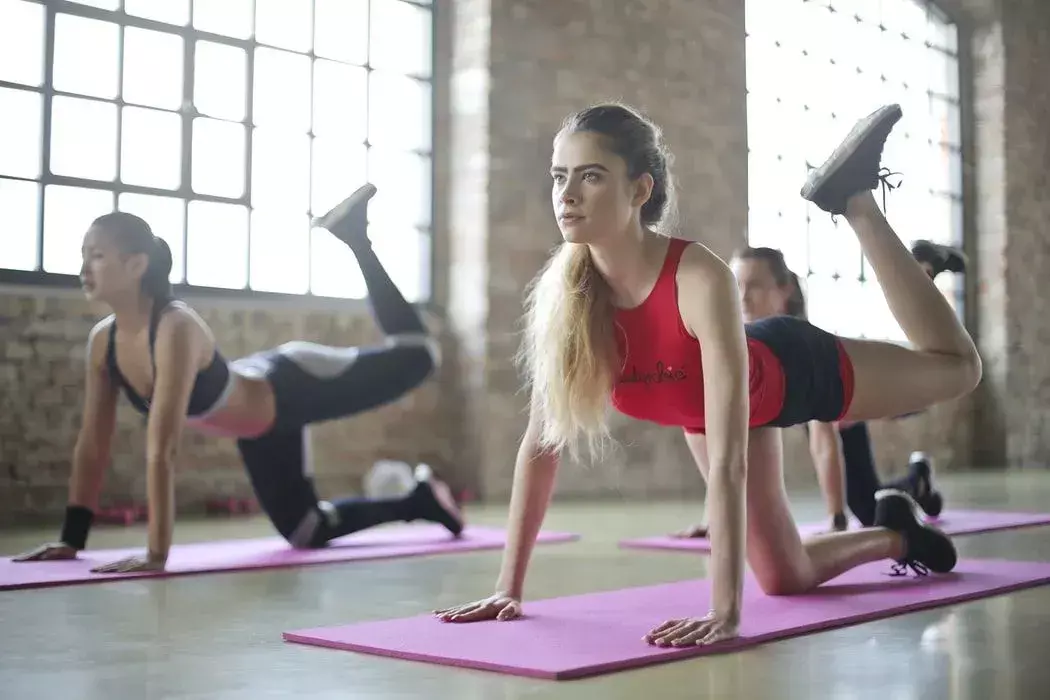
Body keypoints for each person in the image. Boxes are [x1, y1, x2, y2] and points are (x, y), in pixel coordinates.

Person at [432, 102, 981, 648]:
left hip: (788, 371)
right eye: (559, 176)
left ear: (640, 190)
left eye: (591, 176)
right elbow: (540, 445)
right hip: (706, 411)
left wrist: (724, 610)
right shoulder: (568, 299)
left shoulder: (697, 275)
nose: (567, 193)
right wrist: (508, 588)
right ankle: (897, 534)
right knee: (785, 575)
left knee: (959, 370)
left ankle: (857, 203)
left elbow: (728, 460)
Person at [11, 184, 463, 573]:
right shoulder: (103, 342)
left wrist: (156, 553)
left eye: (97, 256)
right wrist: (73, 538)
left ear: (136, 265)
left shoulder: (174, 327)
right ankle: (420, 501)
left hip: (291, 385)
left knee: (420, 356)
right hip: (260, 429)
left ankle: (356, 238)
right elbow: (93, 442)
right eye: (83, 256)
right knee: (307, 531)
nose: (84, 268)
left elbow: (162, 446)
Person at [672, 242, 963, 537]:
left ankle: (924, 271)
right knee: (868, 504)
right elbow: (725, 446)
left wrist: (836, 521)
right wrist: (714, 519)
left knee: (940, 372)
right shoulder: (746, 346)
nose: (743, 297)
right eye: (737, 286)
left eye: (755, 286)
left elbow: (823, 441)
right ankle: (919, 481)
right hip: (851, 408)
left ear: (784, 291)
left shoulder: (795, 348)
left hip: (874, 391)